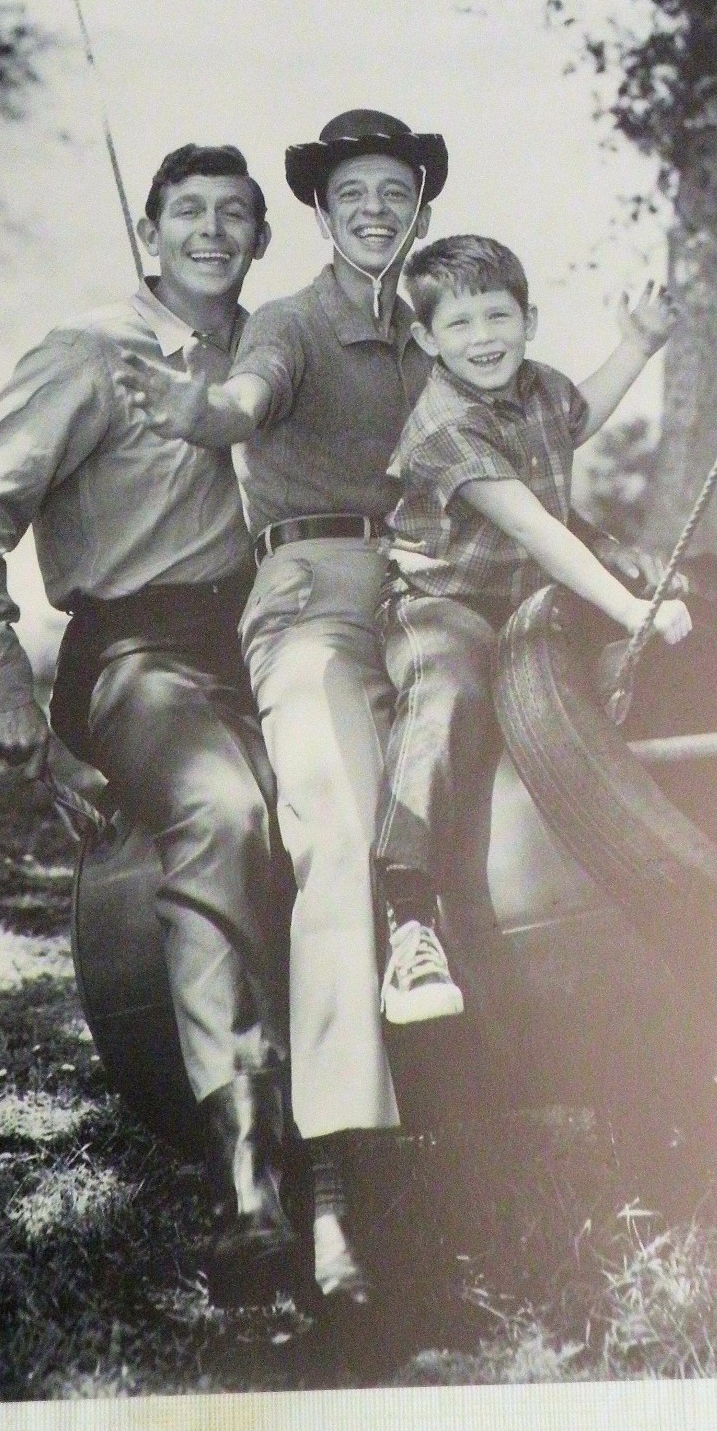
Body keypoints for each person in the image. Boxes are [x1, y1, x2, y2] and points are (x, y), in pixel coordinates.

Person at [0, 144, 298, 1302]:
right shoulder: (88, 351)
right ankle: (245, 1185)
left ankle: (349, 1138)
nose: (213, 231)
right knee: (224, 812)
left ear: (263, 239)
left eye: (235, 214)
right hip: (139, 650)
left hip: (278, 635)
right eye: (189, 211)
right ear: (149, 233)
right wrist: (2, 691)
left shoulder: (279, 356)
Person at [123, 110, 445, 1307]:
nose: (374, 209)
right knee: (336, 839)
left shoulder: (441, 326)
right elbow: (245, 398)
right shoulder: (290, 323)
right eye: (351, 192)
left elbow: (534, 412)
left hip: (432, 594)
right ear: (318, 211)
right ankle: (328, 1198)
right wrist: (201, 412)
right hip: (312, 597)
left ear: (422, 207)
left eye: (394, 190)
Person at [373, 235, 690, 1021]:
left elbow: (575, 418)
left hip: (526, 604)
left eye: (497, 316)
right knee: (445, 691)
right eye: (459, 324)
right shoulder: (442, 424)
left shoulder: (539, 386)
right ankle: (407, 919)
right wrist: (628, 607)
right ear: (426, 341)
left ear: (529, 320)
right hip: (443, 603)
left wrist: (637, 345)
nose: (483, 338)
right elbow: (534, 527)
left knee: (623, 680)